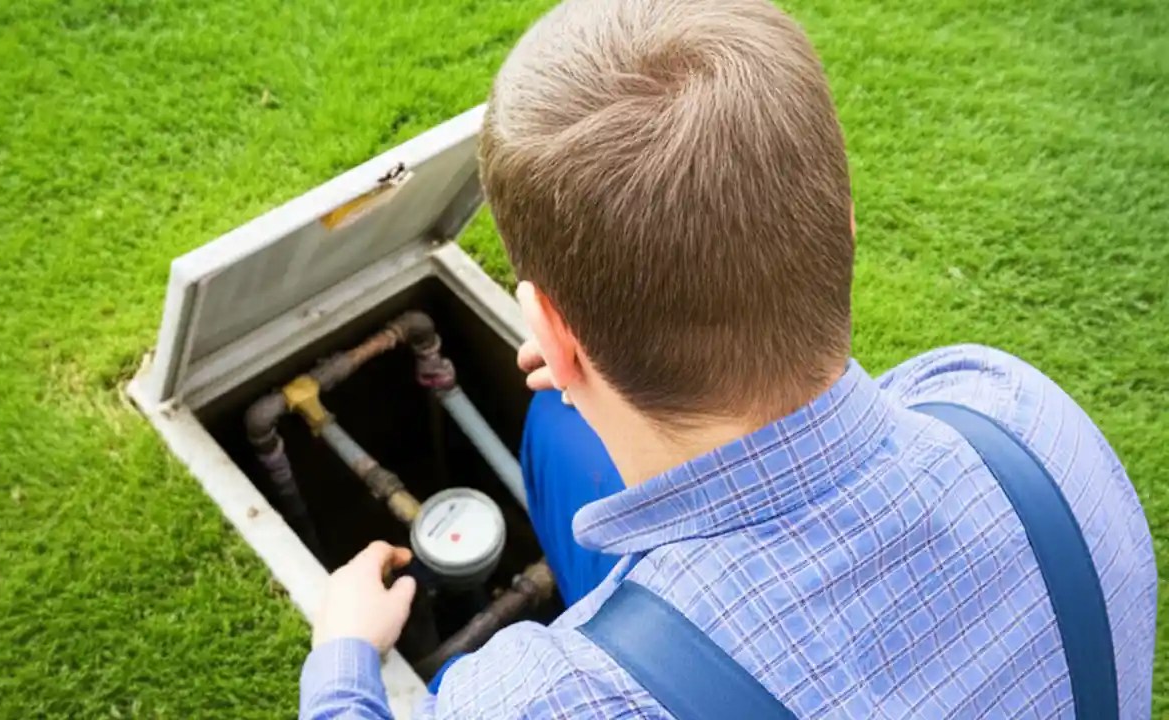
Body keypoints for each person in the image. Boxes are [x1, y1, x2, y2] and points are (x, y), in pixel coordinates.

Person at [298, 0, 1157, 717]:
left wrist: (343, 656)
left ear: (551, 337)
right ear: (846, 226)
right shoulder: (1018, 414)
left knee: (560, 438)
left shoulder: (536, 699)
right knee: (565, 435)